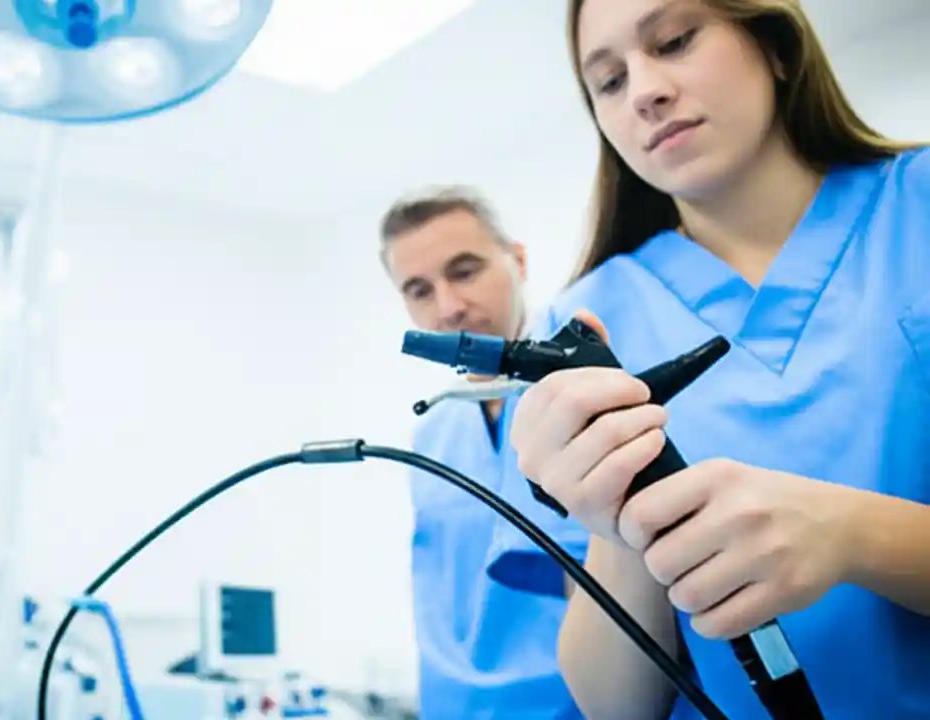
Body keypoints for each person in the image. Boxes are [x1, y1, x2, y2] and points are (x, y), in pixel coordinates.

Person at [503, 0, 930, 718]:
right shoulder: (583, 325)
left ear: (777, 46)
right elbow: (616, 707)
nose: (644, 91)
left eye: (674, 41)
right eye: (607, 82)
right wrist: (620, 526)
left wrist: (851, 534)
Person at [380, 186, 590, 719]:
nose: (448, 307)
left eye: (465, 271)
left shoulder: (584, 395)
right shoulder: (432, 431)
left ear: (518, 261)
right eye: (419, 290)